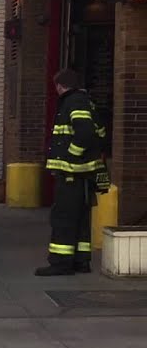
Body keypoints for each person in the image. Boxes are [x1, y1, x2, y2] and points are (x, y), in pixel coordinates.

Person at [36, 68, 108, 276]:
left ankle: (60, 263)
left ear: (60, 86)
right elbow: (101, 133)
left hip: (71, 174)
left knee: (63, 218)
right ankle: (81, 261)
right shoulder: (87, 102)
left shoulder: (73, 102)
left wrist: (71, 155)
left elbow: (84, 133)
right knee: (81, 218)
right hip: (82, 174)